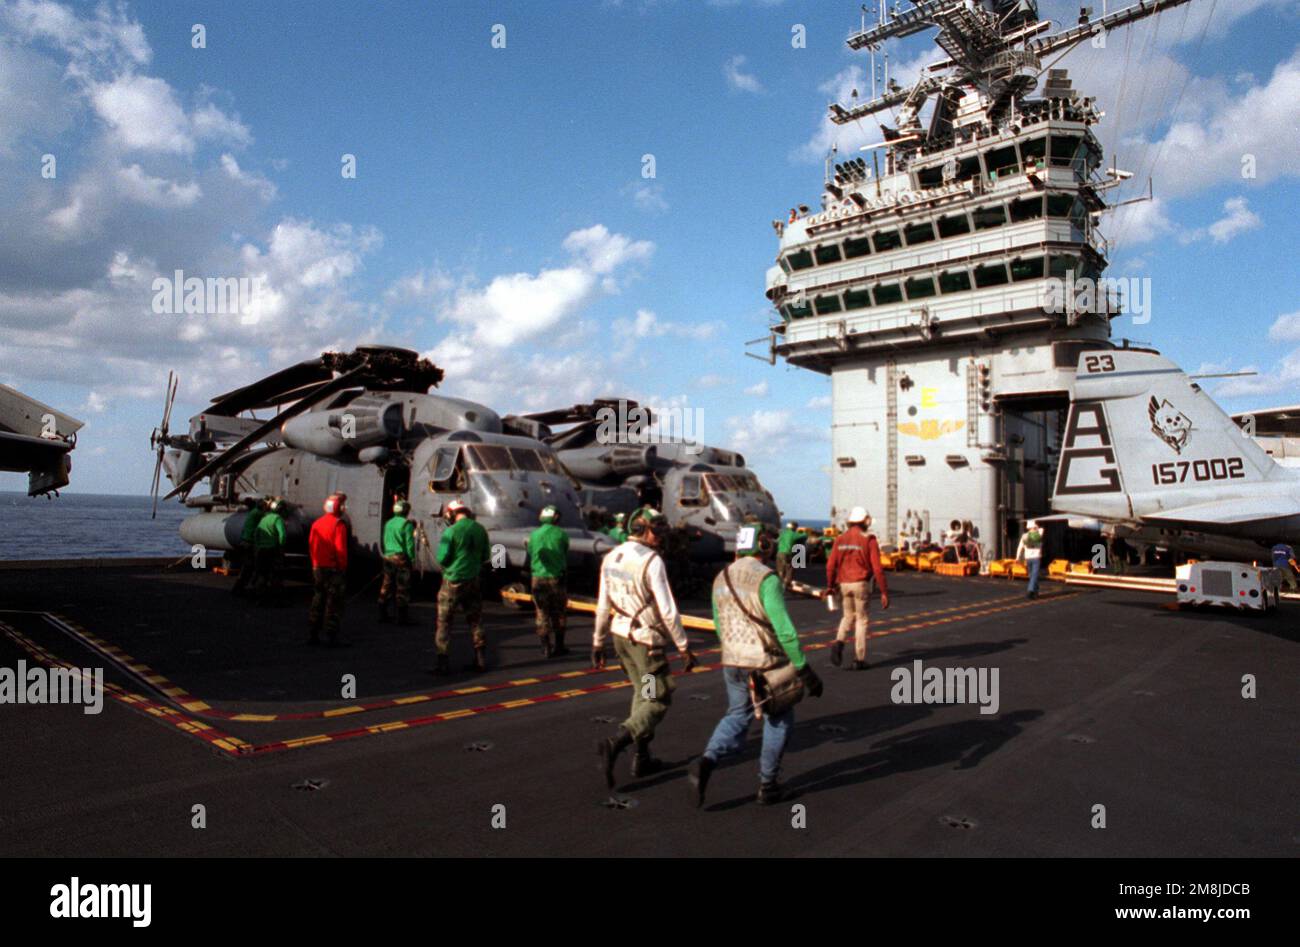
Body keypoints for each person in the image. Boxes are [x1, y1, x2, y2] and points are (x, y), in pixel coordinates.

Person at [690, 525, 823, 807]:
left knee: (737, 714)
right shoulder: (767, 579)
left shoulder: (720, 577)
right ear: (764, 546)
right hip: (765, 663)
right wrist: (804, 668)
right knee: (779, 718)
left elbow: (718, 624)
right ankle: (768, 784)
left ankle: (708, 759)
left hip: (732, 659)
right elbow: (784, 630)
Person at [591, 506, 698, 788]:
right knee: (656, 698)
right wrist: (684, 647)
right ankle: (616, 742)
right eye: (656, 530)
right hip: (645, 645)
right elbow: (668, 610)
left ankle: (642, 757)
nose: (660, 536)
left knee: (641, 694)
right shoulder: (652, 561)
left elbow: (602, 605)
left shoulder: (611, 556)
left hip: (621, 640)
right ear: (641, 529)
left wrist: (598, 642)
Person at [826, 506, 890, 670]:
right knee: (861, 620)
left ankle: (839, 642)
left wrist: (830, 586)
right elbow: (877, 569)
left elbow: (830, 565)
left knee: (847, 617)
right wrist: (884, 592)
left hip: (844, 584)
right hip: (860, 583)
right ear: (864, 521)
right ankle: (859, 659)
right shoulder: (869, 539)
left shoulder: (840, 539)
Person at [434, 498, 492, 674]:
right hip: (473, 580)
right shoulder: (481, 530)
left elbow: (442, 558)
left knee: (444, 622)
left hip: (452, 581)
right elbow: (486, 556)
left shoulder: (451, 532)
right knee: (476, 621)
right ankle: (480, 660)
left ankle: (442, 664)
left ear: (452, 513)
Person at [527, 505, 570, 658]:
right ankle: (559, 646)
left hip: (538, 579)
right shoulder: (561, 534)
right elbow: (565, 551)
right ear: (556, 518)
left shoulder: (534, 534)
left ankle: (545, 647)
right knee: (559, 613)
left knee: (541, 613)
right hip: (557, 578)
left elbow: (531, 552)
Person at [308, 493, 350, 646]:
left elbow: (312, 545)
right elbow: (340, 550)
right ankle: (331, 635)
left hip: (318, 568)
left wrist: (315, 564)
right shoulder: (338, 525)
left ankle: (313, 633)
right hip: (333, 570)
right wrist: (342, 567)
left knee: (318, 599)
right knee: (334, 602)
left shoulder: (317, 523)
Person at [379, 498, 416, 625]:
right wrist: (412, 559)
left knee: (387, 585)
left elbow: (384, 540)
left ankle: (382, 613)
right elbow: (409, 544)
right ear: (406, 511)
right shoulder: (407, 524)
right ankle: (402, 617)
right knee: (402, 587)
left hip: (388, 556)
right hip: (401, 558)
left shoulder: (388, 523)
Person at [251, 497, 288, 604]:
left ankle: (259, 597)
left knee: (262, 574)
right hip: (272, 550)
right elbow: (282, 535)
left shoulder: (264, 518)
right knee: (276, 575)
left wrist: (257, 547)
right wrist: (281, 548)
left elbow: (256, 533)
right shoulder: (277, 519)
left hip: (261, 551)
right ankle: (275, 599)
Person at [231, 497, 264, 596]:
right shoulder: (257, 513)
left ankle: (240, 587)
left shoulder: (252, 513)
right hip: (250, 543)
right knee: (250, 566)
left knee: (247, 566)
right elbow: (268, 516)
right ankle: (243, 588)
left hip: (245, 542)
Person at [1015, 519, 1044, 599]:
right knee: (1034, 575)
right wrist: (1036, 527)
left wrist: (1017, 557)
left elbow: (1020, 547)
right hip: (1036, 558)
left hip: (1028, 558)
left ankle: (1034, 592)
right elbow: (1041, 529)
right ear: (1034, 526)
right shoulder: (1039, 534)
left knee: (1032, 575)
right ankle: (1032, 591)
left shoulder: (1024, 536)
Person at [776, 521, 801, 587]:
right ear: (794, 527)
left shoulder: (782, 533)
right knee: (790, 567)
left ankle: (780, 581)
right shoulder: (794, 534)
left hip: (779, 553)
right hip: (787, 553)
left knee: (780, 568)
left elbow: (777, 540)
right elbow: (803, 536)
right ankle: (787, 582)